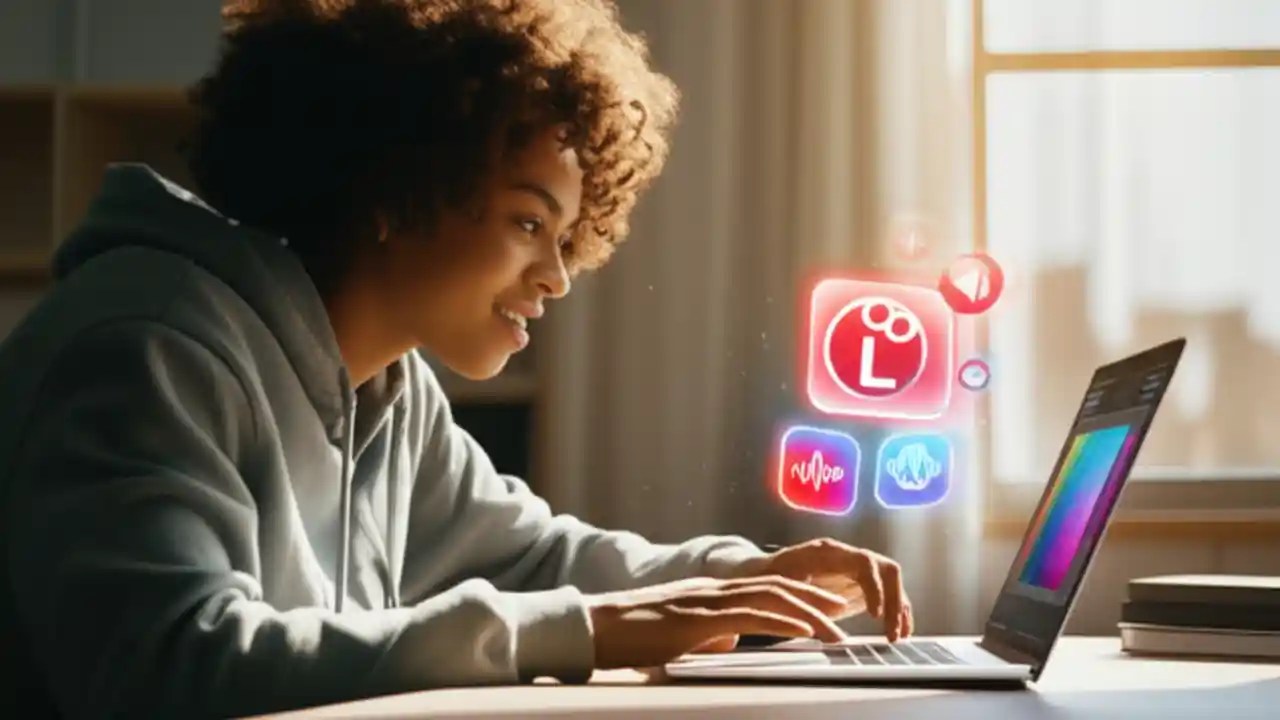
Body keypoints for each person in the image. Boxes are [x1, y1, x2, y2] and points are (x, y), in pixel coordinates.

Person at [0, 1, 913, 717]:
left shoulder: (384, 385)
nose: (557, 275)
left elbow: (533, 560)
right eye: (527, 222)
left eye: (567, 236)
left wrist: (737, 577)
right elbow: (168, 666)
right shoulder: (145, 349)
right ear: (394, 186)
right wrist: (586, 634)